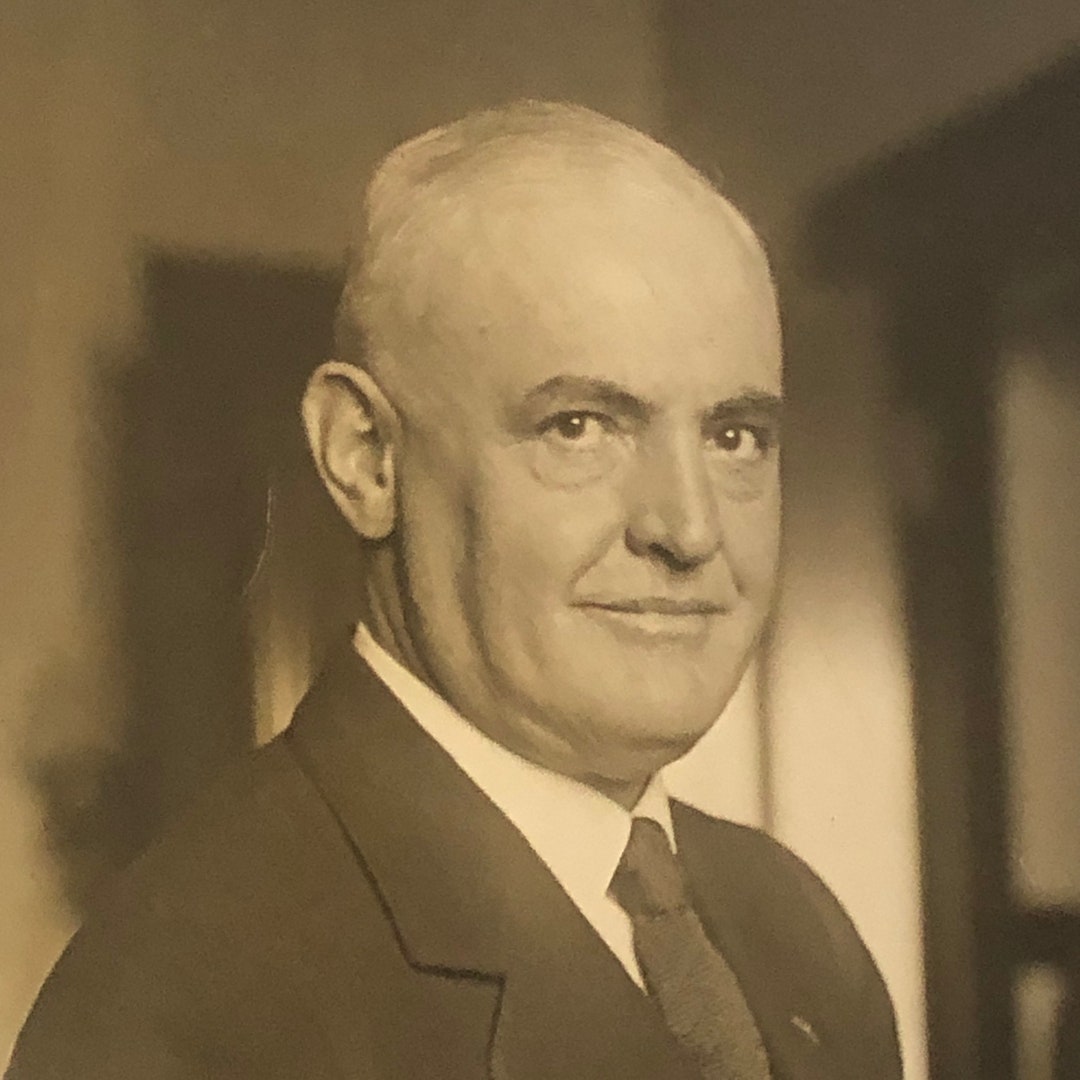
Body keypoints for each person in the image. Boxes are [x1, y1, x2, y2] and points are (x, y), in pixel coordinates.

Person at [7, 101, 901, 1080]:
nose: (689, 529)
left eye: (735, 437)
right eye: (581, 426)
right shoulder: (186, 1005)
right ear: (365, 458)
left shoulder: (800, 933)